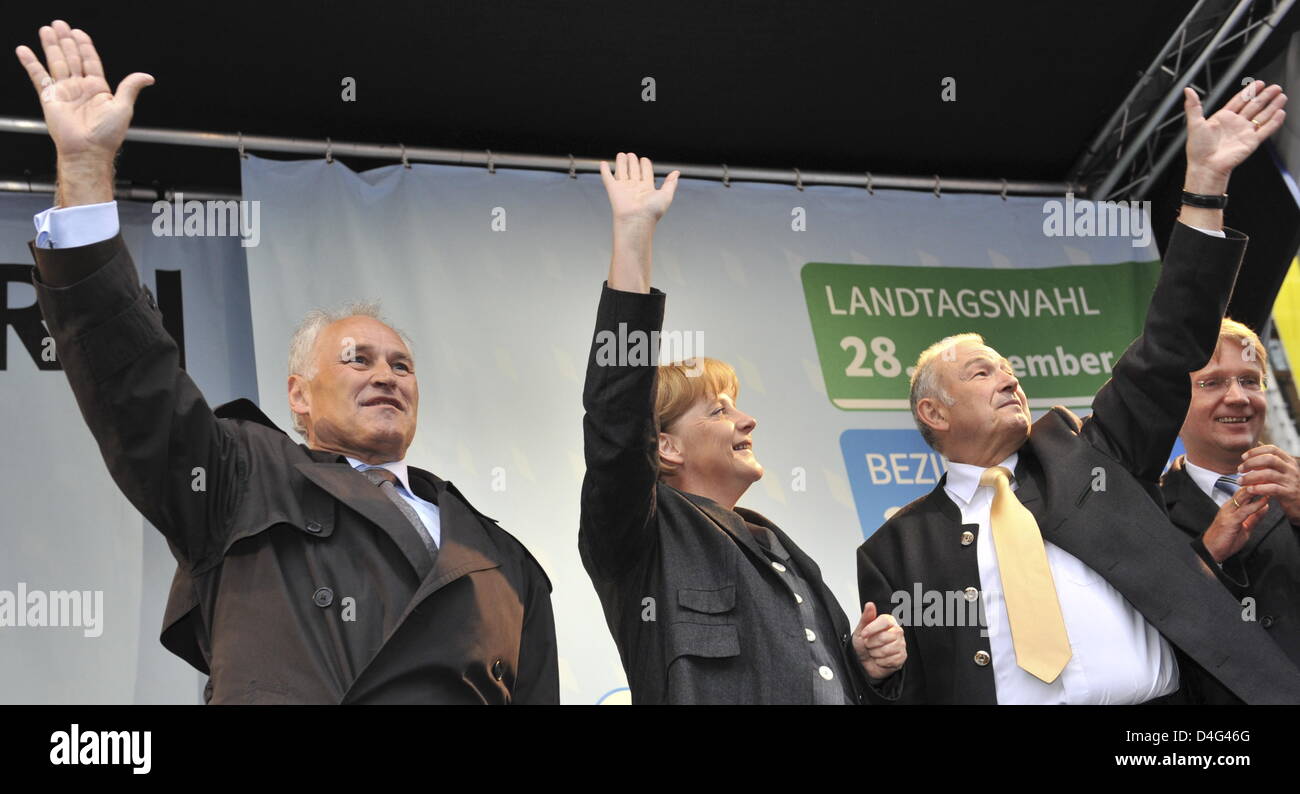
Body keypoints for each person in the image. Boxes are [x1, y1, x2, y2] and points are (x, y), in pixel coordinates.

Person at [16, 20, 558, 704]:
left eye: (402, 365)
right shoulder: (240, 477)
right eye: (358, 359)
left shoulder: (501, 557)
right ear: (299, 396)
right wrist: (88, 168)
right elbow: (132, 380)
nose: (386, 374)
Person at [857, 81, 1300, 704]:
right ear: (933, 411)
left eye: (1009, 367)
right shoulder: (896, 547)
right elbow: (911, 687)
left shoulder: (1095, 457)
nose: (1009, 377)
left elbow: (1172, 342)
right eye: (981, 372)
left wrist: (1203, 184)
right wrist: (877, 671)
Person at [580, 152, 906, 704]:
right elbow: (616, 420)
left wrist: (861, 669)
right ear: (664, 445)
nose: (746, 419)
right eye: (718, 410)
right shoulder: (641, 537)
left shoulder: (781, 549)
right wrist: (634, 234)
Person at [1162, 318, 1300, 670]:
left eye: (1250, 381)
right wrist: (1207, 555)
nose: (1237, 397)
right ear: (1171, 403)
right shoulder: (1147, 510)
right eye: (1212, 383)